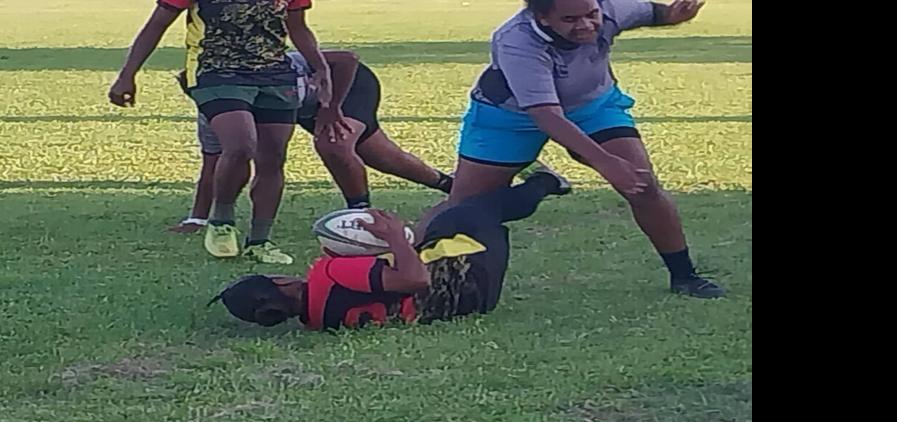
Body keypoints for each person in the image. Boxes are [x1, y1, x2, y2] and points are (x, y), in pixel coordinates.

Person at [444, 0, 726, 298]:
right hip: (510, 116)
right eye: (570, 19)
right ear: (542, 17)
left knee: (642, 185)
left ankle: (685, 276)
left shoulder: (609, 9)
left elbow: (655, 13)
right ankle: (417, 267)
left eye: (591, 15)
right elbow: (547, 116)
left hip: (592, 105)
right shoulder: (516, 39)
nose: (586, 25)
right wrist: (606, 163)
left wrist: (673, 15)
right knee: (464, 207)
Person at [211, 165, 572, 329]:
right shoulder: (329, 273)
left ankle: (537, 181)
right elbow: (415, 280)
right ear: (282, 283)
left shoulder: (319, 322)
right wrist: (396, 236)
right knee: (473, 211)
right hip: (467, 274)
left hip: (473, 305)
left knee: (439, 223)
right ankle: (545, 182)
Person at [110, 0, 332, 265]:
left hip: (275, 75)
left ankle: (260, 241)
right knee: (240, 145)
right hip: (215, 72)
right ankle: (221, 221)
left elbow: (298, 26)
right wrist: (127, 74)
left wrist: (321, 67)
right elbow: (157, 24)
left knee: (272, 157)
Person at [170, 49, 455, 233]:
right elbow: (214, 164)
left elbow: (346, 60)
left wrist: (331, 106)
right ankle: (450, 185)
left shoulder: (271, 66)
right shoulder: (214, 109)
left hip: (346, 87)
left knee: (333, 143)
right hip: (302, 105)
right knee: (381, 156)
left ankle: (361, 214)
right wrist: (197, 219)